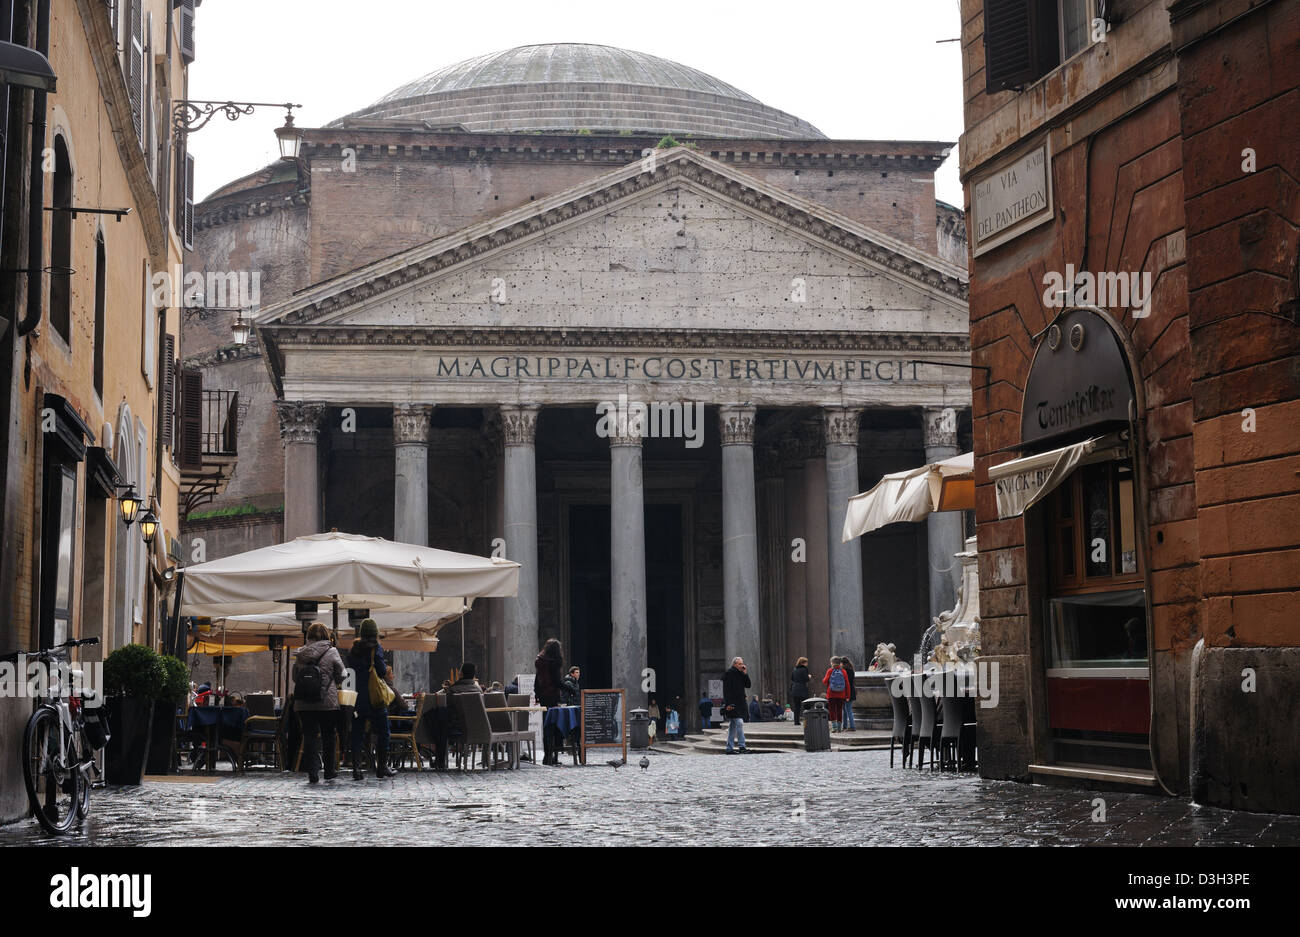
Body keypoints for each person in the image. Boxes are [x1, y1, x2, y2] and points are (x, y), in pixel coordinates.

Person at [294, 622, 347, 784]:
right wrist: (334, 680)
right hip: (327, 702)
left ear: (308, 636)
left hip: (304, 702)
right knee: (328, 736)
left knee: (310, 736)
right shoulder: (332, 651)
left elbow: (295, 677)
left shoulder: (301, 653)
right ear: (326, 635)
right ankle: (329, 771)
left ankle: (313, 772)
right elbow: (343, 674)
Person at [346, 618, 398, 780]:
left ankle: (356, 769)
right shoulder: (376, 648)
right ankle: (381, 767)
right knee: (383, 732)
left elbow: (349, 673)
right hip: (374, 697)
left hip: (357, 697)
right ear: (375, 634)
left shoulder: (353, 650)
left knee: (357, 733)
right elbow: (382, 671)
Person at [535, 638, 565, 765]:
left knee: (546, 726)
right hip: (552, 696)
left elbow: (537, 680)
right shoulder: (554, 663)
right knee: (555, 726)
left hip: (543, 697)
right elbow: (557, 682)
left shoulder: (540, 662)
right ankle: (554, 756)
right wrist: (571, 689)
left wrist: (537, 693)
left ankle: (547, 756)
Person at [722, 657, 751, 754]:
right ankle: (742, 746)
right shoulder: (729, 673)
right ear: (734, 664)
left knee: (732, 726)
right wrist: (728, 704)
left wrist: (745, 673)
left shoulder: (741, 674)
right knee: (739, 723)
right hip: (733, 703)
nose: (741, 666)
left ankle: (729, 748)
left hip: (740, 703)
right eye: (739, 664)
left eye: (742, 663)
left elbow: (748, 685)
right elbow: (726, 690)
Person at [823, 656, 851, 732]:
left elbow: (825, 681)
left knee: (832, 710)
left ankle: (834, 728)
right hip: (841, 694)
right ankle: (839, 728)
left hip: (831, 694)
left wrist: (826, 678)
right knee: (839, 710)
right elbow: (847, 684)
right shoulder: (843, 671)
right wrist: (848, 695)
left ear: (832, 663)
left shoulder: (830, 671)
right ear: (839, 663)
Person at [789, 656, 811, 725]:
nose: (807, 664)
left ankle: (796, 721)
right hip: (802, 689)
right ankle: (807, 721)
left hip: (795, 689)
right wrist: (809, 677)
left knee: (796, 706)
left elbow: (792, 678)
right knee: (806, 705)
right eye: (806, 663)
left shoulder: (795, 669)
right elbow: (806, 679)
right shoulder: (804, 669)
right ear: (803, 663)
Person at [840, 657, 857, 732]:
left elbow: (846, 683)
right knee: (845, 709)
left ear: (842, 663)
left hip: (847, 692)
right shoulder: (851, 670)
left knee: (848, 710)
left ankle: (852, 726)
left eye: (840, 663)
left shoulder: (845, 671)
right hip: (851, 691)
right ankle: (845, 726)